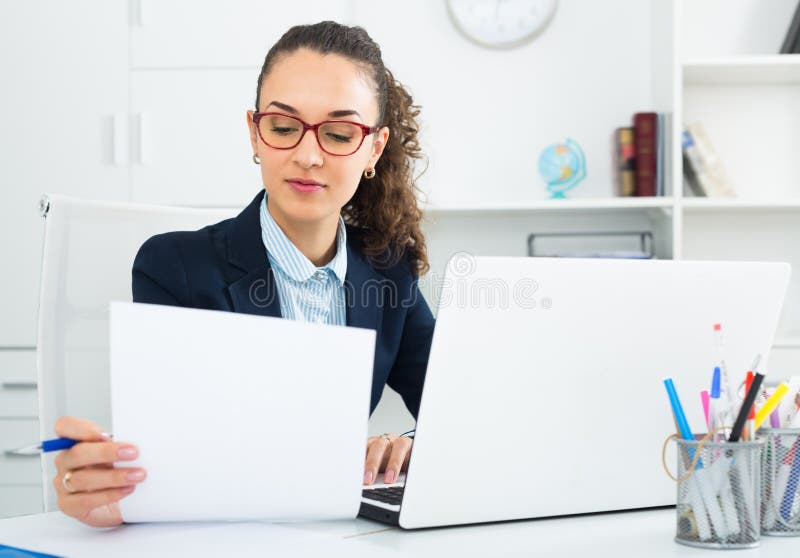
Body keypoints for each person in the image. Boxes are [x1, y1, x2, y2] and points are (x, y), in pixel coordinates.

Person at [52, 21, 435, 527]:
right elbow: (170, 451)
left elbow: (461, 406)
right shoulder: (173, 268)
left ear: (374, 148)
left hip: (341, 536)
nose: (307, 154)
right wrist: (112, 495)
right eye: (282, 127)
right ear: (255, 132)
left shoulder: (391, 273)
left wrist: (406, 445)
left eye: (340, 134)